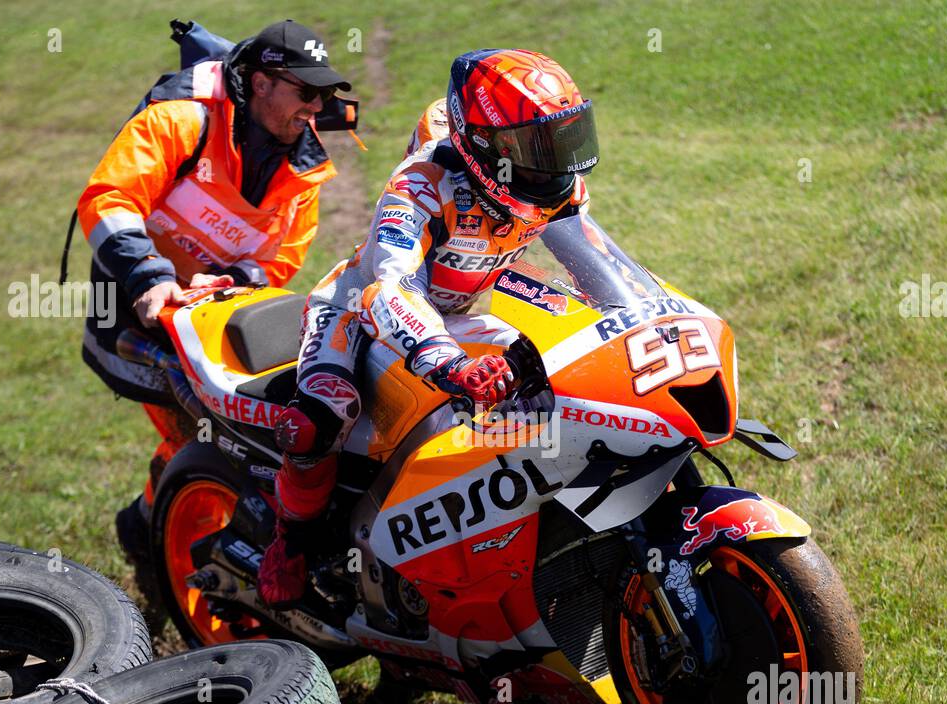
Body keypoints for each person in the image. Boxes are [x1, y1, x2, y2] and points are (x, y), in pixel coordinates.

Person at [257, 48, 600, 607]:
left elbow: (595, 264)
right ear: (483, 146)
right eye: (535, 146)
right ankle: (290, 543)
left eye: (563, 138)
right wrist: (450, 362)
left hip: (462, 313)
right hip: (356, 310)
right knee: (320, 418)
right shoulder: (420, 186)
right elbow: (391, 287)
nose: (556, 160)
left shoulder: (560, 188)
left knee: (559, 380)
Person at [76, 19, 352, 564]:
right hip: (135, 308)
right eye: (306, 91)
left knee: (224, 440)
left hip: (210, 320)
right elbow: (108, 199)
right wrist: (152, 278)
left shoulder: (304, 164)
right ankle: (175, 548)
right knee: (205, 442)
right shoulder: (181, 120)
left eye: (324, 95)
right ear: (261, 82)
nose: (316, 109)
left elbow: (281, 257)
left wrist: (231, 282)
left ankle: (155, 529)